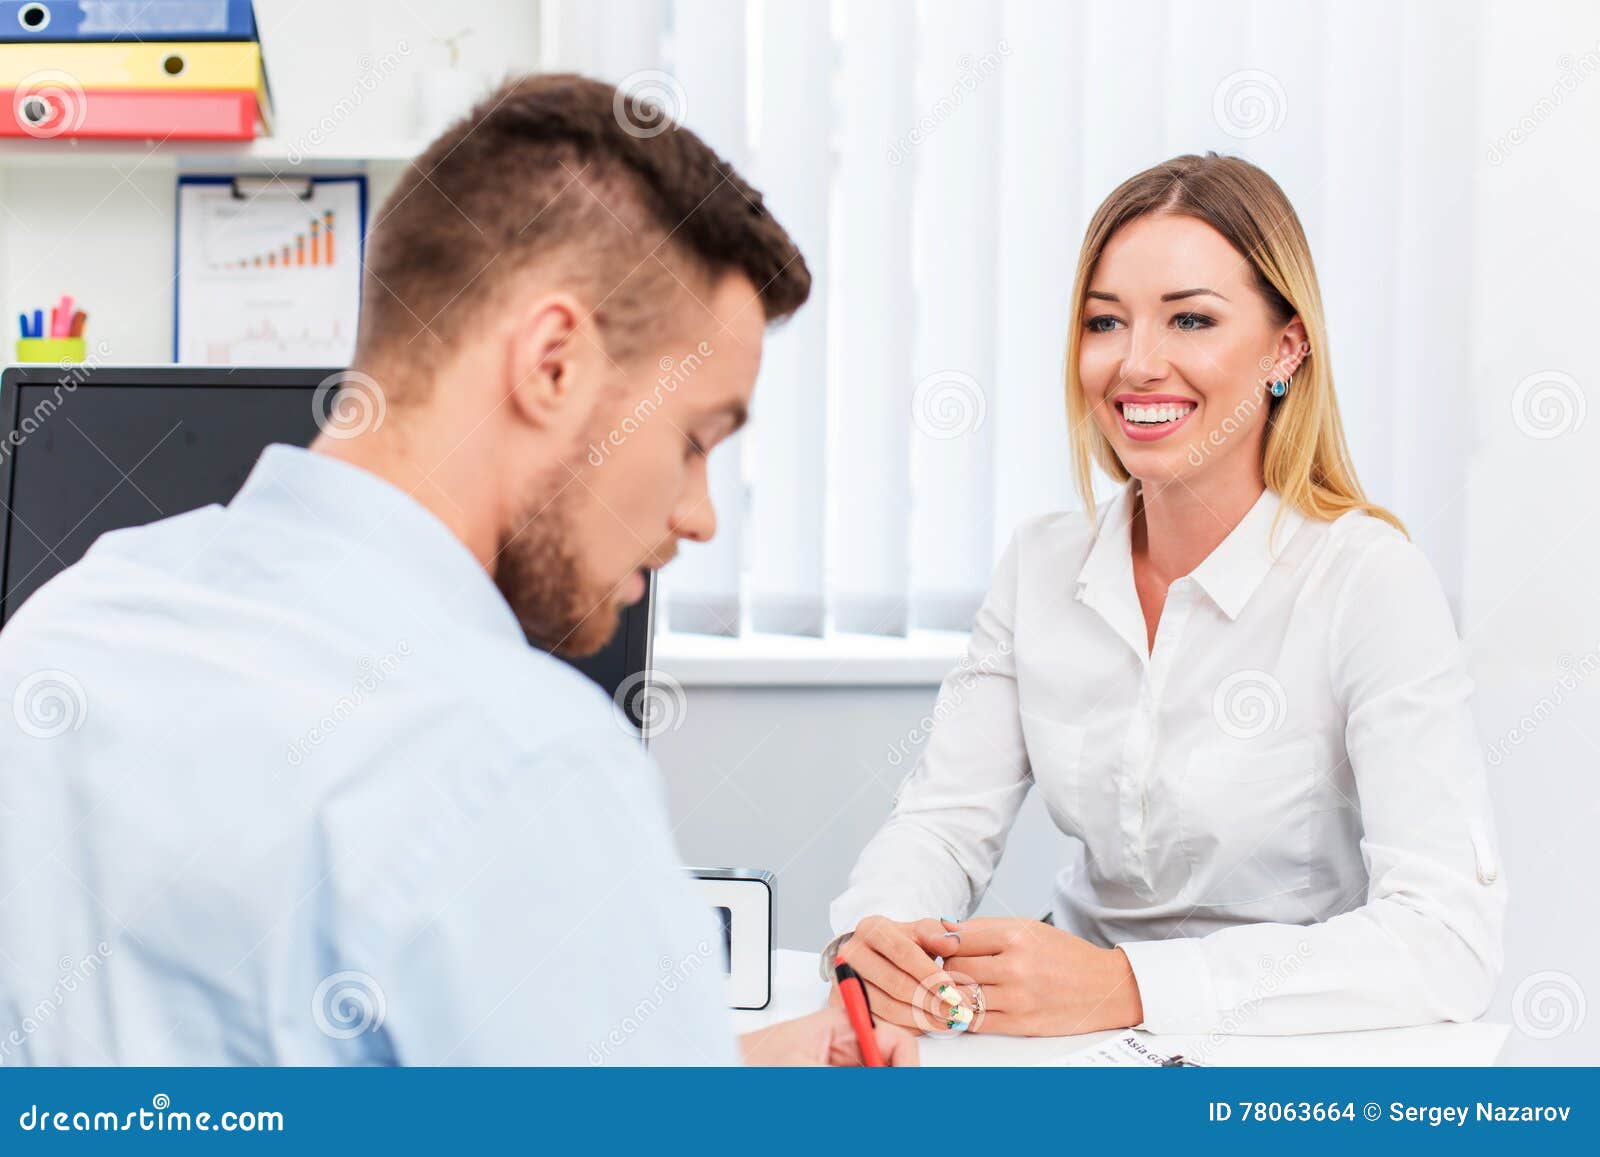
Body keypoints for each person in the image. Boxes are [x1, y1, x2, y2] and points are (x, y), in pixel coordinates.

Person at [0, 74, 915, 1067]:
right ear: (553, 363)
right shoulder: (520, 758)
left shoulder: (68, 626)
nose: (697, 516)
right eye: (695, 439)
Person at [826, 153, 1505, 1040]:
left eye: (1191, 318)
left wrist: (1128, 984)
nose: (1138, 363)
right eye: (1105, 321)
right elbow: (942, 825)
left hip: (1290, 1049)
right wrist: (876, 933)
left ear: (1287, 348)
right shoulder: (1042, 563)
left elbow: (1447, 940)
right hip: (1075, 1046)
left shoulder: (1370, 581)